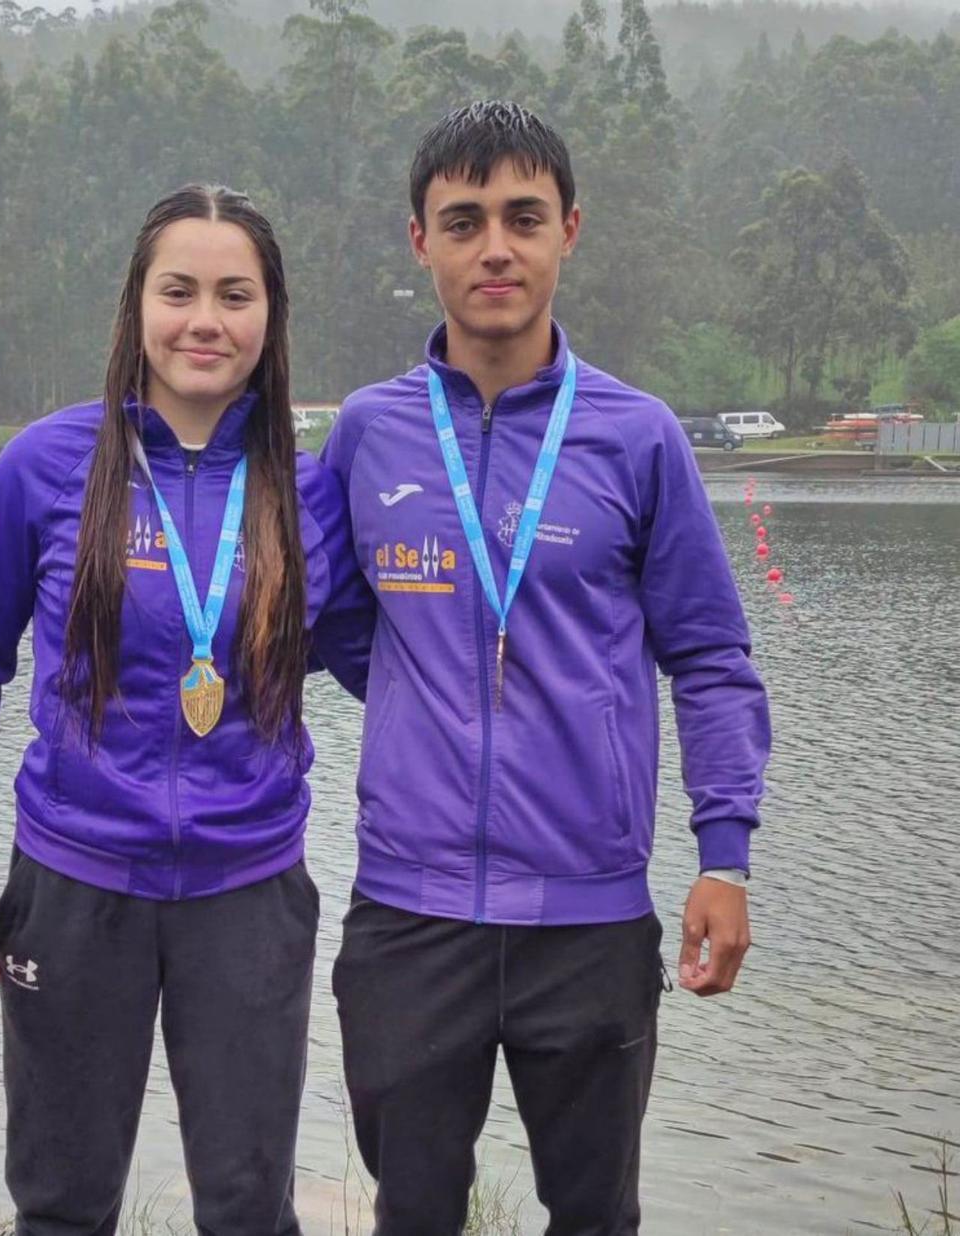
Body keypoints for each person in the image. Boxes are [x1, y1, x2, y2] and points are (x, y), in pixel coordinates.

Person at [322, 101, 771, 1234]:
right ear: (419, 241)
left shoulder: (638, 435)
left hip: (590, 914)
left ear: (569, 229)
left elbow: (711, 657)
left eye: (523, 217)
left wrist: (726, 856)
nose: (496, 249)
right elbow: (323, 613)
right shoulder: (368, 434)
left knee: (595, 1214)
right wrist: (434, 695)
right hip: (410, 915)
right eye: (463, 221)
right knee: (412, 1213)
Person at [0, 184, 372, 1236]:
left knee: (250, 1207)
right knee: (64, 1203)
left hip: (250, 892)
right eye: (179, 290)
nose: (205, 320)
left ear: (271, 316)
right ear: (138, 305)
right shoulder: (46, 467)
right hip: (73, 883)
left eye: (234, 294)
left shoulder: (308, 496)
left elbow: (391, 672)